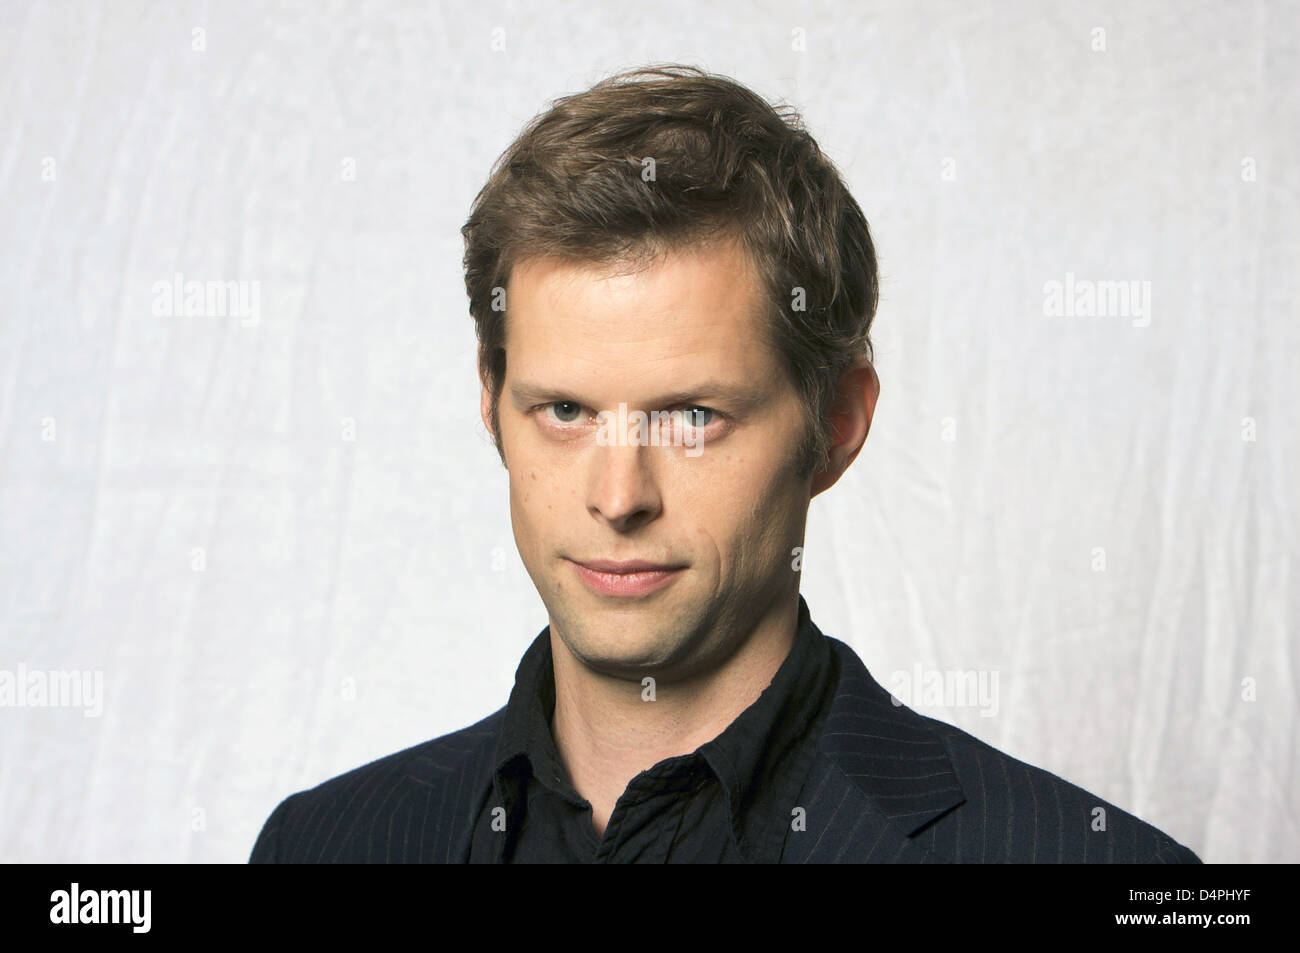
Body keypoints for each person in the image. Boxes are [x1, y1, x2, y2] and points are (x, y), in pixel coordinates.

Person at [249, 64, 1199, 863]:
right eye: (566, 410)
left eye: (693, 415)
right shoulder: (321, 844)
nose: (618, 497)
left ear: (836, 424)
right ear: (492, 405)